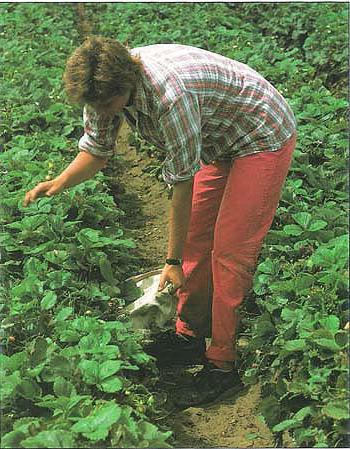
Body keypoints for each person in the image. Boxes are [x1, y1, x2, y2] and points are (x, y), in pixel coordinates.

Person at [24, 37, 296, 405]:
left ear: (128, 86)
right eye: (95, 106)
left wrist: (170, 262)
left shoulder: (171, 97)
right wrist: (59, 182)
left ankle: (222, 363)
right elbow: (97, 150)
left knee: (230, 251)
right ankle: (189, 335)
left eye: (107, 105)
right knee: (196, 242)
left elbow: (182, 183)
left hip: (260, 132)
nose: (101, 112)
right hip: (220, 139)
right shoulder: (102, 91)